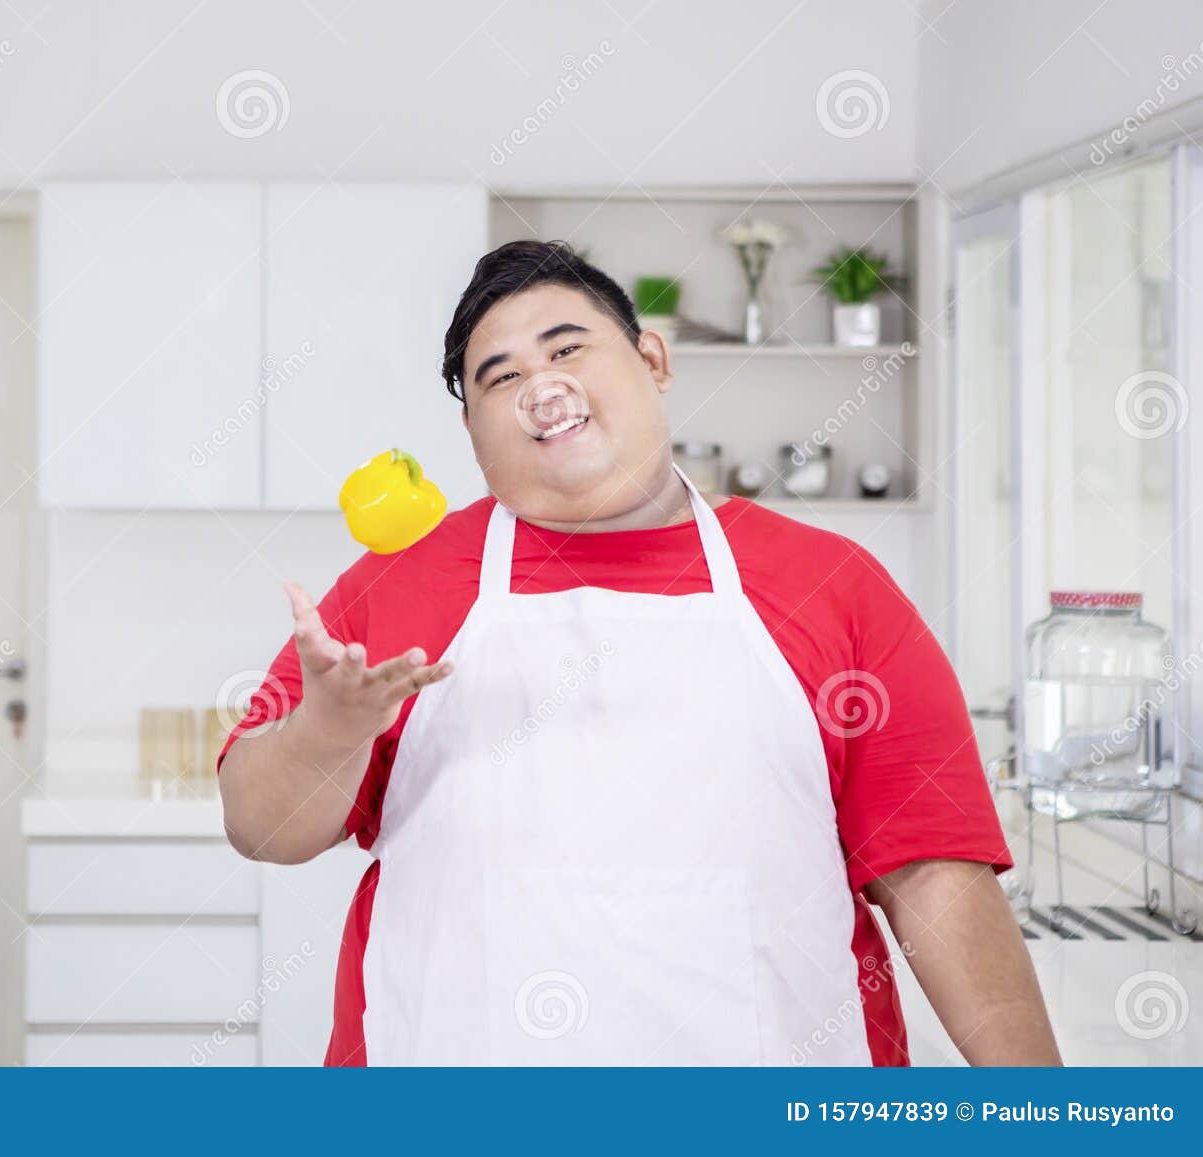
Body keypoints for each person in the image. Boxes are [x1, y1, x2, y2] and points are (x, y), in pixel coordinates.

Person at [217, 239, 1060, 1066]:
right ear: (472, 429)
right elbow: (261, 828)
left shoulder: (831, 584)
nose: (542, 386)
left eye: (568, 348)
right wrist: (330, 730)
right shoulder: (394, 587)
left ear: (652, 357)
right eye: (500, 376)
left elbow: (935, 874)